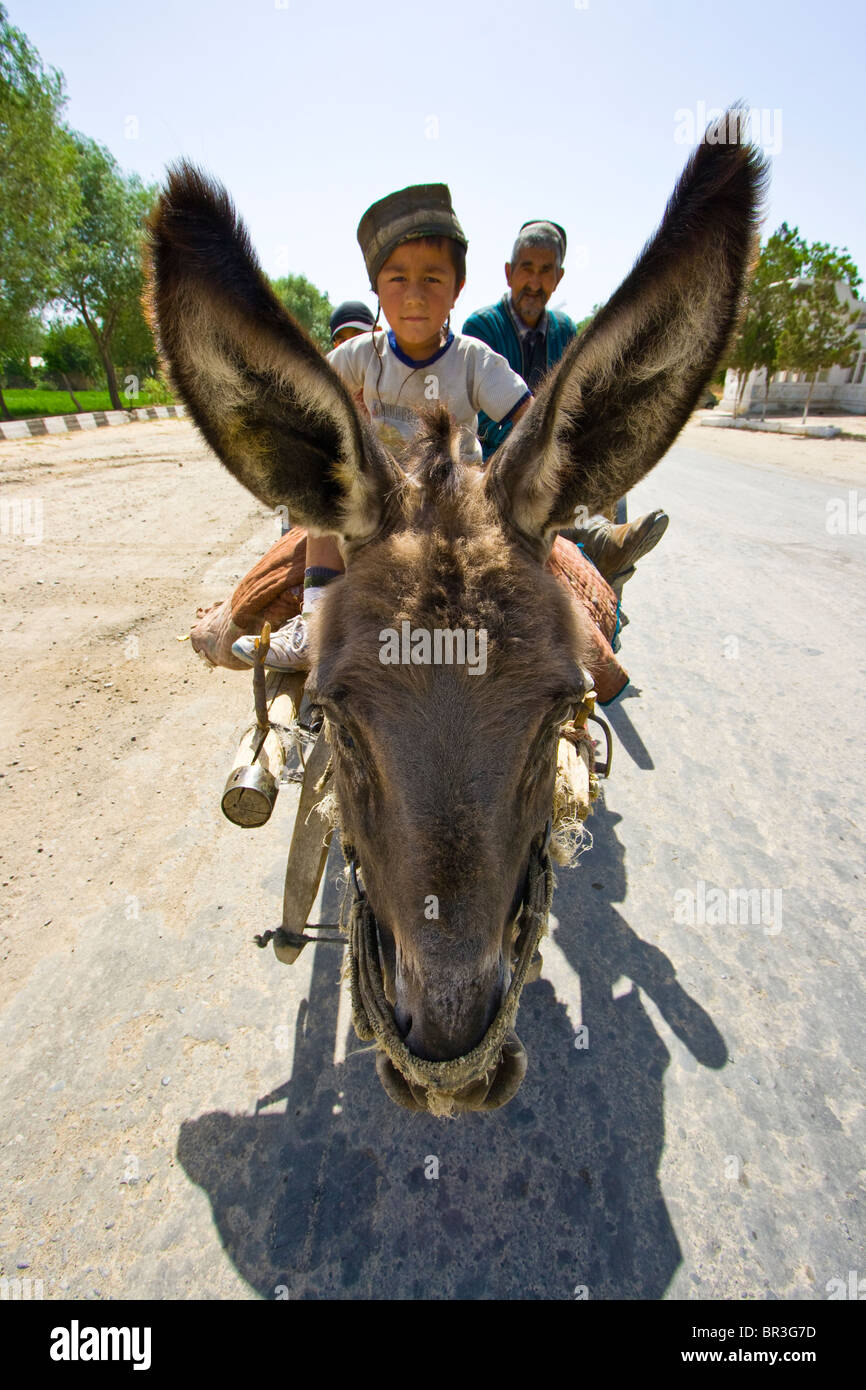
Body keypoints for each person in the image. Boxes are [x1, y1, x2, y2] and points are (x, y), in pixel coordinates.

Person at [232, 183, 531, 672]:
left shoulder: (473, 361)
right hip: (382, 500)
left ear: (458, 288)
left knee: (521, 521)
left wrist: (500, 475)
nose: (414, 295)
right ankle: (315, 620)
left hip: (459, 500)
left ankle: (537, 641)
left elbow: (530, 418)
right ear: (375, 289)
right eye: (397, 278)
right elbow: (300, 398)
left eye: (433, 279)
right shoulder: (359, 356)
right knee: (334, 492)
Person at [463, 219, 668, 591]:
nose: (534, 282)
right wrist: (532, 435)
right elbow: (478, 413)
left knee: (604, 476)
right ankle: (600, 540)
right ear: (509, 273)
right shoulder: (482, 328)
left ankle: (606, 568)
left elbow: (577, 402)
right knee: (542, 481)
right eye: (527, 269)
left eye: (545, 272)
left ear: (558, 278)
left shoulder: (564, 330)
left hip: (549, 456)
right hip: (497, 458)